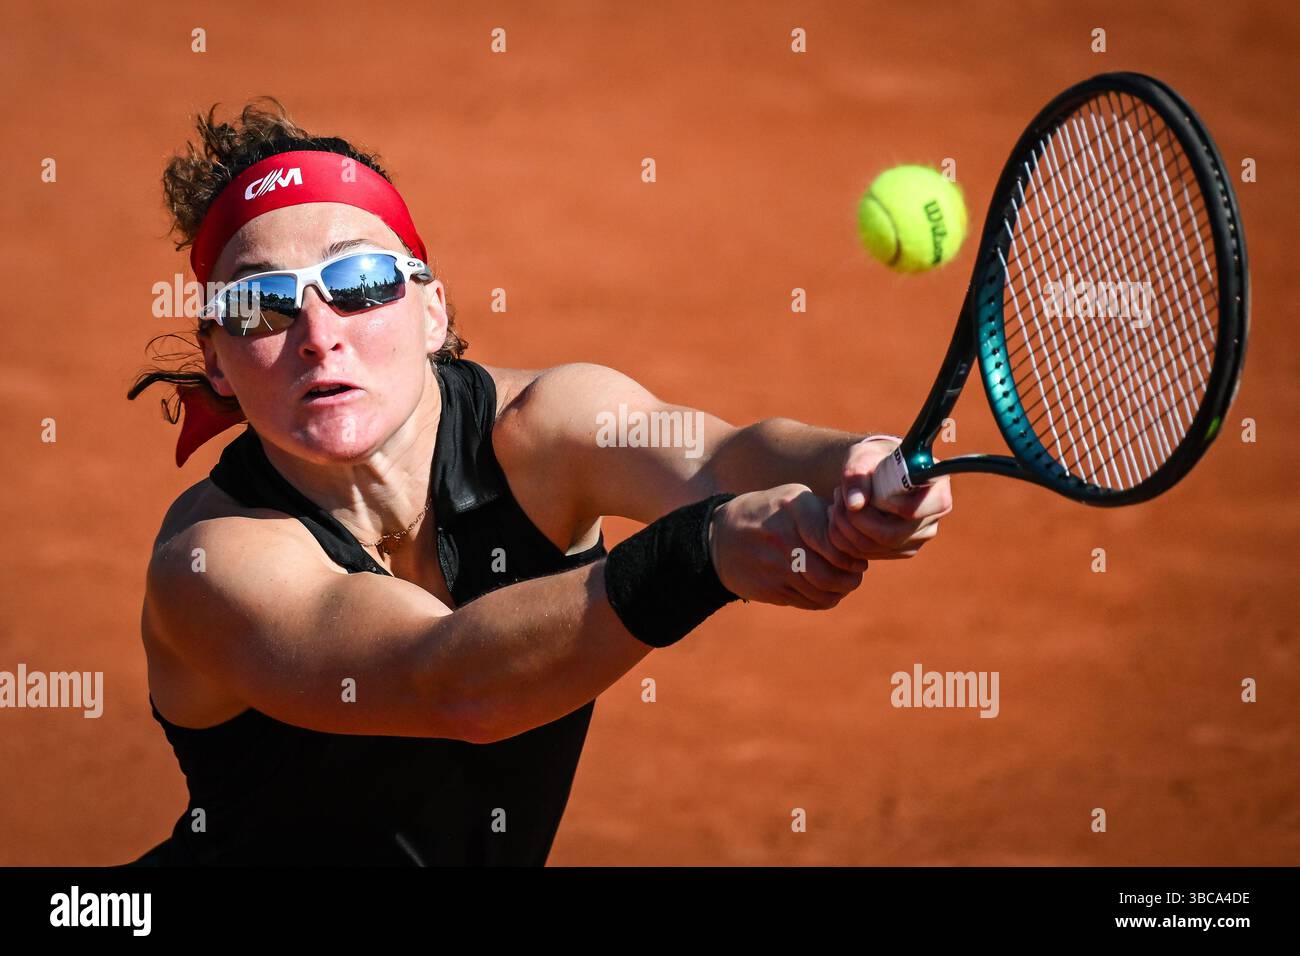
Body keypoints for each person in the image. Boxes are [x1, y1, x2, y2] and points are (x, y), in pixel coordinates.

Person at [126, 98, 952, 866]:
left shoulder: (547, 427)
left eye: (361, 285)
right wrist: (702, 556)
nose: (317, 334)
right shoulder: (211, 564)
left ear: (432, 311)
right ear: (218, 364)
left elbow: (720, 461)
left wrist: (851, 463)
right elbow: (454, 684)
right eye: (261, 305)